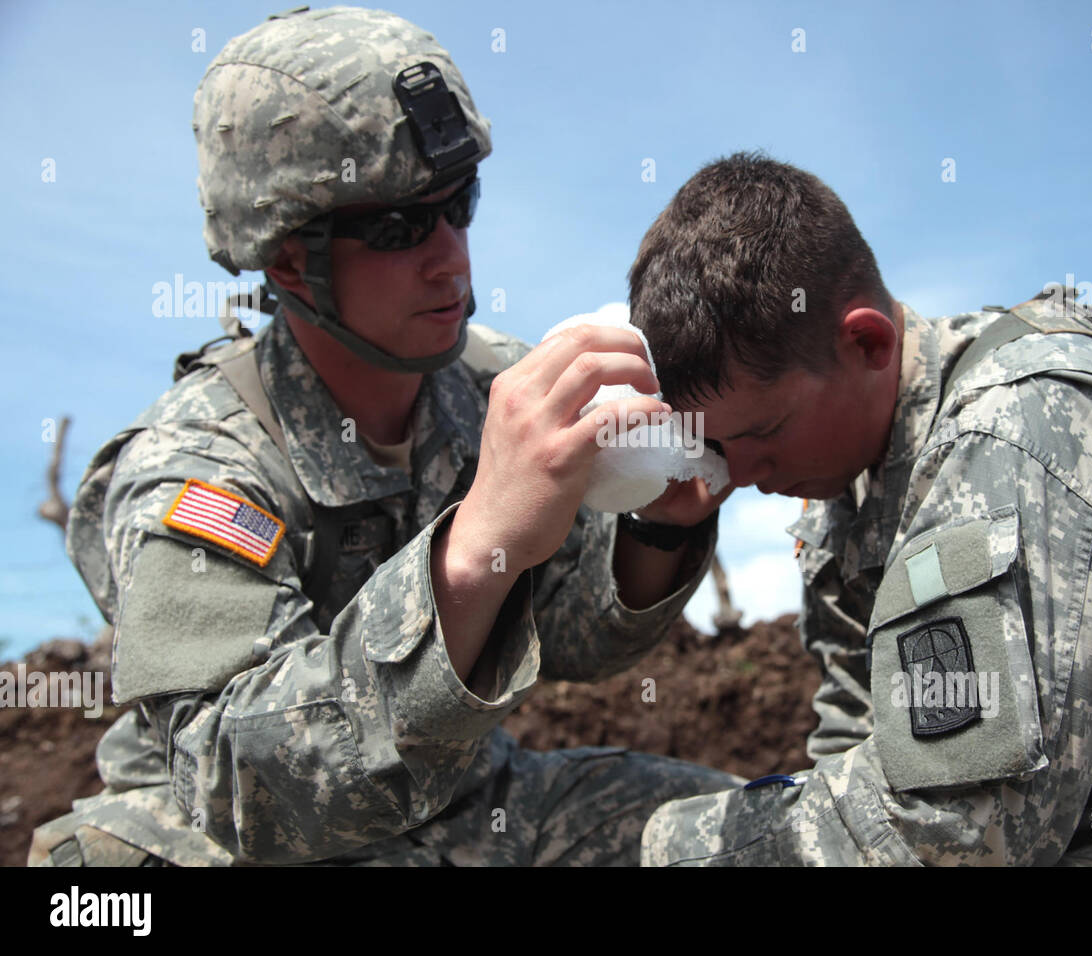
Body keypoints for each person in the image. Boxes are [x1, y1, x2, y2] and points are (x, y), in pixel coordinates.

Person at [29, 6, 740, 867]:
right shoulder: (199, 464)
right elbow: (239, 783)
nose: (452, 259)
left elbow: (576, 641)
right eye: (399, 229)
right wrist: (477, 546)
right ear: (291, 261)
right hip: (240, 843)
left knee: (754, 836)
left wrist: (658, 522)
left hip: (471, 810)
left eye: (459, 205)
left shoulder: (495, 390)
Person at [629, 153, 1092, 866]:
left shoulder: (1021, 428)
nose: (743, 475)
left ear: (866, 343)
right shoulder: (843, 489)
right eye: (718, 447)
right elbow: (856, 738)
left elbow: (960, 835)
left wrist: (678, 849)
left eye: (762, 434)